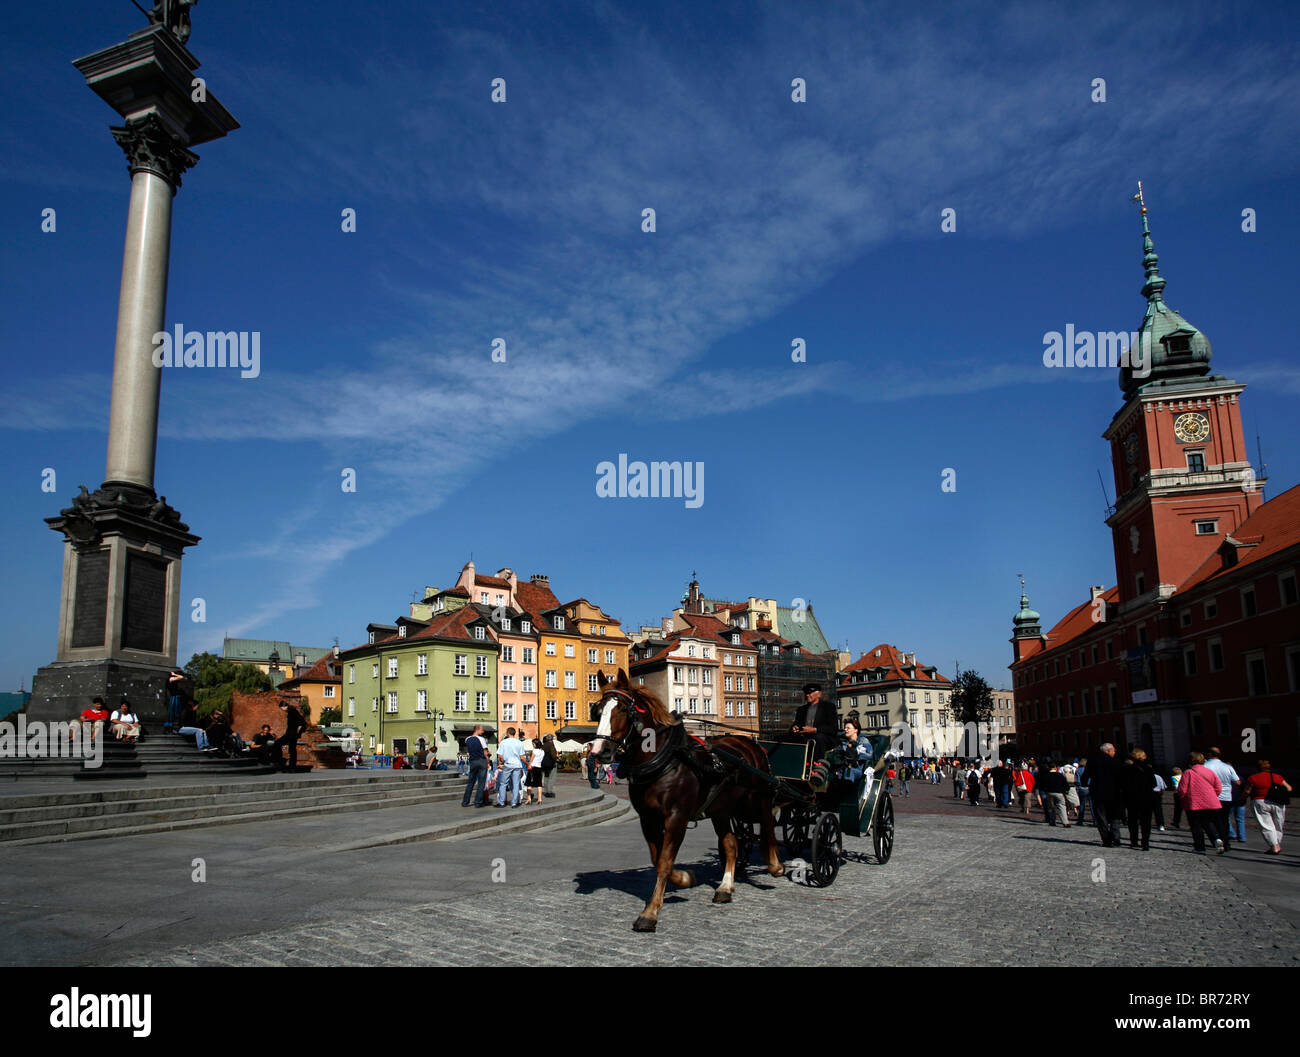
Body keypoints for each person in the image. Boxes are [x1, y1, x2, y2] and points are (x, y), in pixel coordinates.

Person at [1178, 751, 1226, 854]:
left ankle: (1200, 848)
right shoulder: (1210, 772)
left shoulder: (1188, 772)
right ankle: (1216, 839)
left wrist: (1182, 799)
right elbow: (1218, 787)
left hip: (1194, 804)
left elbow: (1182, 790)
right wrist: (1212, 796)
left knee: (1196, 826)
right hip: (1212, 802)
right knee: (1208, 823)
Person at [1242, 760, 1291, 854]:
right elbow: (1289, 788)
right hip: (1278, 802)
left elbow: (1247, 791)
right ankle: (1277, 844)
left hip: (1260, 801)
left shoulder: (1253, 778)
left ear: (1257, 768)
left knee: (1266, 824)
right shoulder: (1278, 777)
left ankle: (1274, 846)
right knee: (1278, 824)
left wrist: (1242, 798)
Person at [1087, 743, 1125, 848]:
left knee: (1101, 817)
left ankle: (1106, 840)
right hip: (1114, 793)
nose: (1115, 752)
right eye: (1113, 750)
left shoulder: (1093, 761)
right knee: (1115, 816)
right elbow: (1122, 778)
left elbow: (1085, 777)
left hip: (1097, 793)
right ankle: (1116, 838)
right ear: (1107, 751)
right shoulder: (1116, 762)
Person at [1203, 747, 1241, 852]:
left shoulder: (1205, 766)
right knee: (1224, 820)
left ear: (1210, 754)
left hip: (1212, 796)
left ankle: (1217, 839)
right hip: (1226, 797)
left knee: (1211, 820)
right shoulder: (1227, 767)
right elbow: (1237, 782)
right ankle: (1226, 842)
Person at [1120, 749, 1156, 850]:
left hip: (1131, 798)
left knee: (1132, 820)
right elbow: (1154, 784)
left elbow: (1122, 784)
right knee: (1146, 821)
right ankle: (1145, 842)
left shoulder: (1127, 769)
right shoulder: (1148, 769)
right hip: (1146, 798)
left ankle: (1134, 841)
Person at [792, 684, 840, 760]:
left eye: (810, 693)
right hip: (805, 737)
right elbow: (796, 723)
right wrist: (795, 727)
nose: (807, 695)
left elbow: (833, 728)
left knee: (818, 738)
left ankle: (817, 763)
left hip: (823, 739)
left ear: (819, 694)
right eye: (806, 693)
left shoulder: (828, 707)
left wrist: (814, 730)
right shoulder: (801, 709)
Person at [495, 726, 527, 808]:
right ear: (514, 733)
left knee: (503, 783)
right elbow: (522, 757)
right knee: (516, 784)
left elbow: (500, 755)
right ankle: (514, 802)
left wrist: (503, 761)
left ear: (507, 733)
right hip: (517, 765)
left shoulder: (503, 742)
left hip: (508, 764)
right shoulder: (519, 743)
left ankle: (502, 802)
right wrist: (527, 764)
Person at [461, 724, 490, 808]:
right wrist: (488, 762)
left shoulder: (467, 739)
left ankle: (465, 801)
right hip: (481, 761)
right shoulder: (481, 739)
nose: (483, 731)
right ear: (477, 730)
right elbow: (485, 752)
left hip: (473, 761)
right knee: (481, 782)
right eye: (482, 730)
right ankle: (478, 802)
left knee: (470, 782)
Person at [276, 700, 308, 771]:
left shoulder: (292, 711)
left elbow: (301, 721)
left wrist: (298, 729)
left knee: (277, 743)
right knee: (292, 749)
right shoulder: (291, 711)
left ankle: (279, 762)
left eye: (281, 708)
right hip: (292, 734)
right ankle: (292, 766)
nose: (282, 710)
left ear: (284, 706)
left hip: (291, 734)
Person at [524, 738, 545, 804]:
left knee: (529, 784)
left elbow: (531, 759)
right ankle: (540, 799)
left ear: (536, 744)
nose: (533, 745)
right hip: (539, 767)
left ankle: (529, 799)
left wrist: (528, 765)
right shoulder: (542, 751)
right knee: (539, 784)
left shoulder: (535, 751)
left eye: (533, 744)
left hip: (532, 768)